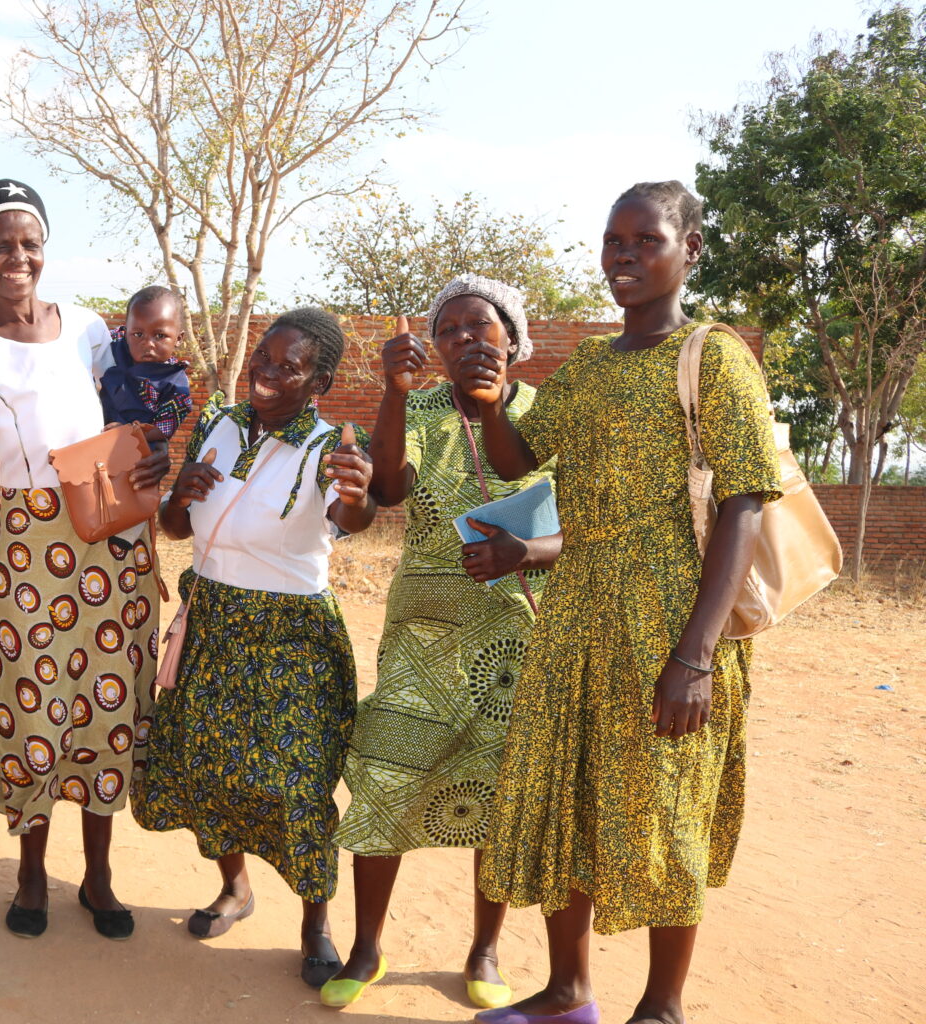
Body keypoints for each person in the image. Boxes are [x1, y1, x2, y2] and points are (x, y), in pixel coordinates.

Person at [459, 182, 782, 1024]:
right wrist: (489, 401)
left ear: (691, 251)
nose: (624, 257)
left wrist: (696, 654)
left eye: (646, 241)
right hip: (574, 618)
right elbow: (519, 457)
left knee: (664, 808)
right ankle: (568, 991)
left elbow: (746, 501)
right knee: (561, 793)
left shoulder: (714, 357)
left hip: (670, 621)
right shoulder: (592, 366)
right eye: (613, 241)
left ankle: (662, 1008)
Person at [0, 178, 167, 941]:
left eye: (29, 244)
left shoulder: (90, 328)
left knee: (108, 698)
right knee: (35, 700)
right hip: (34, 541)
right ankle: (32, 871)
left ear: (45, 250)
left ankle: (98, 875)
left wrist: (155, 453)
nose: (17, 258)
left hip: (112, 532)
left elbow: (131, 403)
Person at [322, 277, 561, 1010]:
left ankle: (485, 949)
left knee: (496, 792)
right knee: (388, 774)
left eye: (479, 328)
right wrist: (394, 392)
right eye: (448, 330)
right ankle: (366, 948)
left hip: (513, 635)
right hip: (422, 634)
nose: (463, 340)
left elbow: (573, 524)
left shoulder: (547, 415)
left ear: (513, 342)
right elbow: (388, 489)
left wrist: (525, 552)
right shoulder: (420, 409)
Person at [133, 307, 376, 989]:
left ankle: (315, 925)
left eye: (287, 367)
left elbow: (349, 516)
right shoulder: (220, 425)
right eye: (262, 361)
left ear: (318, 380)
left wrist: (360, 496)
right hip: (212, 624)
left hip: (291, 640)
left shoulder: (330, 447)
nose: (267, 376)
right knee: (210, 770)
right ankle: (235, 890)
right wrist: (179, 494)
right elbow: (177, 527)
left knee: (297, 786)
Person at [98, 284, 192, 441]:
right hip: (90, 440)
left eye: (160, 336)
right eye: (138, 334)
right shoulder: (111, 345)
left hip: (137, 453)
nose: (148, 343)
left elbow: (164, 429)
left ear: (178, 339)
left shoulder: (175, 384)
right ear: (125, 331)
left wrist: (130, 432)